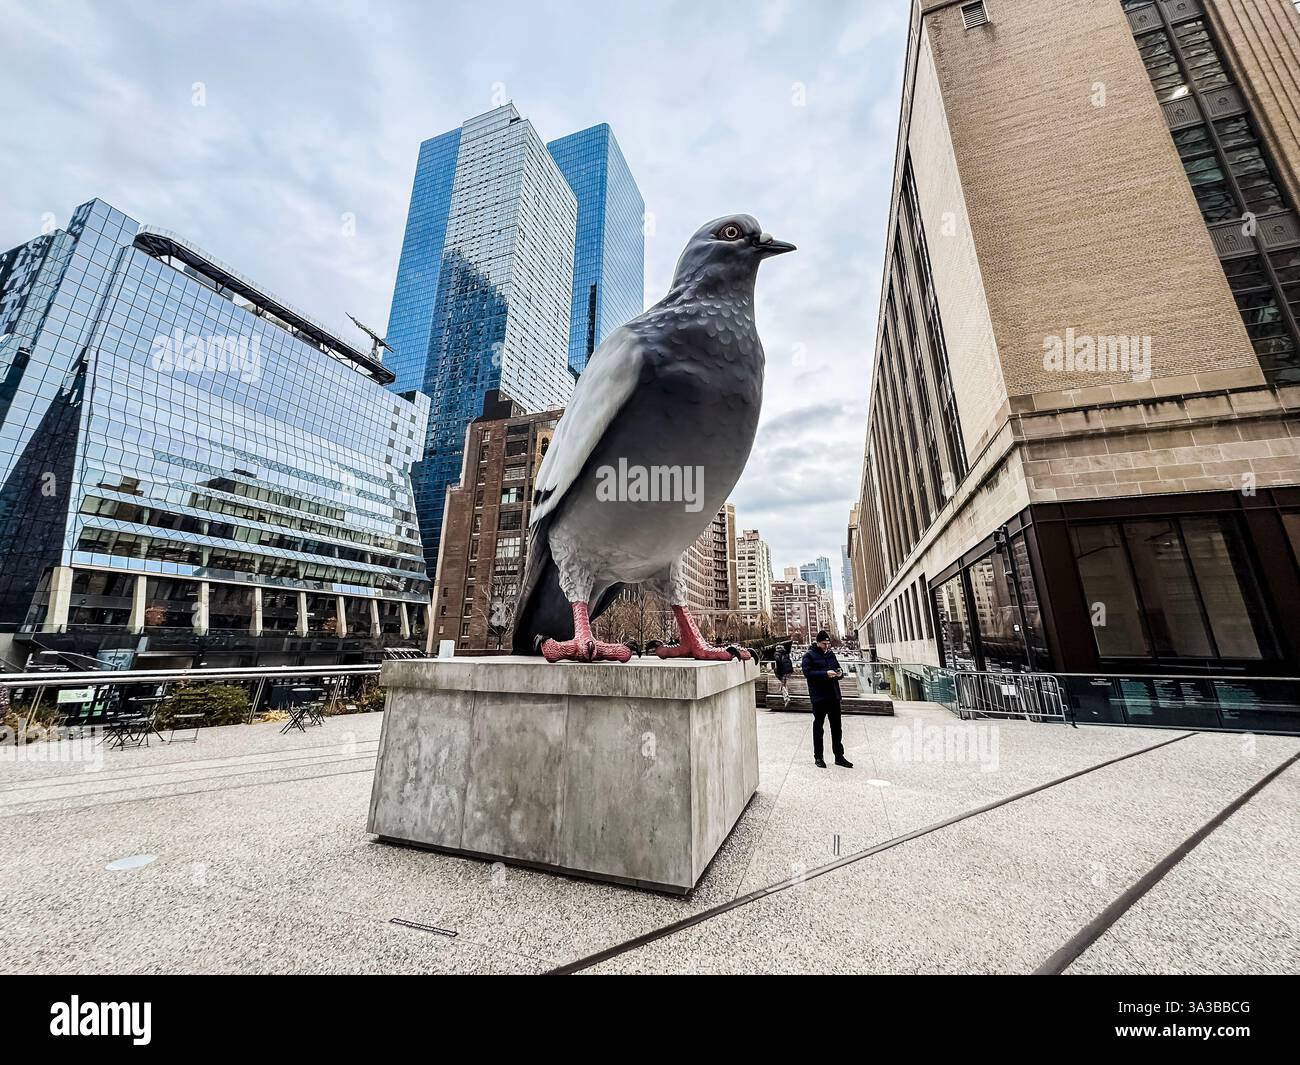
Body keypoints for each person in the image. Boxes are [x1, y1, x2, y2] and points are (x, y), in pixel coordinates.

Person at [801, 630, 853, 769]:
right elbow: (807, 673)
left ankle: (839, 756)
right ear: (817, 642)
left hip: (833, 695)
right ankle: (818, 757)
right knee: (818, 727)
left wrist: (839, 673)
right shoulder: (808, 656)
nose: (826, 646)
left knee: (837, 728)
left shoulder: (830, 654)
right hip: (819, 697)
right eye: (824, 644)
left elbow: (837, 668)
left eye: (827, 644)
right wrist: (825, 674)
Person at [773, 642, 794, 709]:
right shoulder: (786, 653)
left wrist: (779, 672)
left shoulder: (776, 654)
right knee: (784, 684)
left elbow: (778, 663)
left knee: (783, 685)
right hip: (789, 670)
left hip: (783, 671)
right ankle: (785, 695)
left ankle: (786, 698)